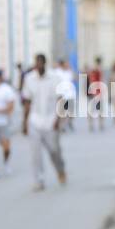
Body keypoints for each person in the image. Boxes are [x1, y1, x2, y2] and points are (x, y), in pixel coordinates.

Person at [21, 53, 67, 192]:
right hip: (35, 120)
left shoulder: (55, 78)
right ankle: (39, 180)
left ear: (44, 64)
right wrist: (24, 122)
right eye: (37, 64)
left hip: (51, 120)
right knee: (35, 153)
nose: (38, 66)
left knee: (54, 150)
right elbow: (27, 101)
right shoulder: (29, 79)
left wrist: (59, 119)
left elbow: (61, 99)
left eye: (41, 63)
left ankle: (60, 169)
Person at [87, 57, 105, 132]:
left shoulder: (99, 70)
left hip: (98, 92)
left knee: (99, 109)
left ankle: (100, 124)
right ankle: (92, 124)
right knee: (93, 109)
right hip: (95, 92)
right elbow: (92, 81)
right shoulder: (94, 71)